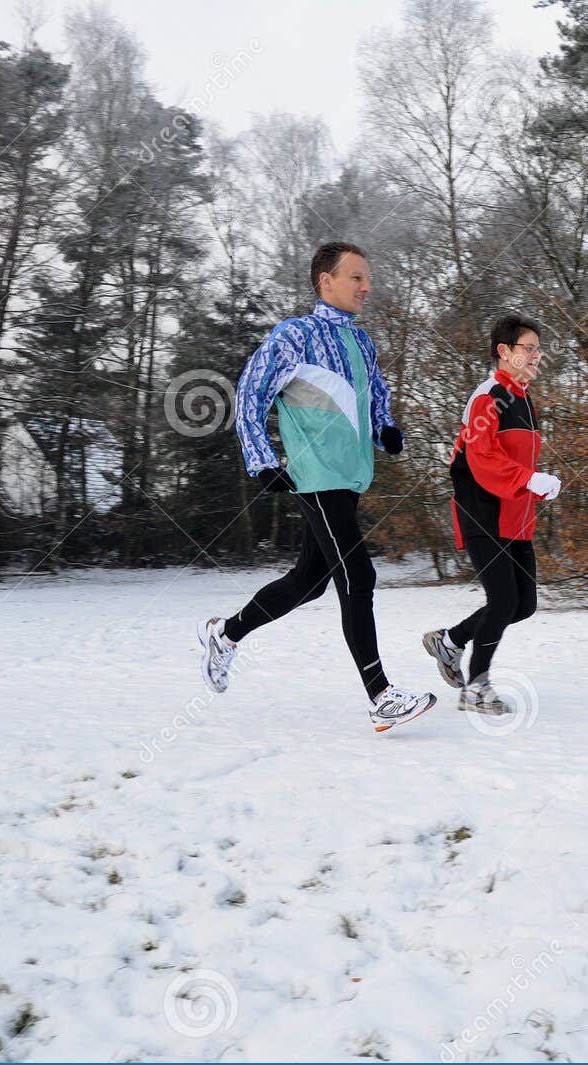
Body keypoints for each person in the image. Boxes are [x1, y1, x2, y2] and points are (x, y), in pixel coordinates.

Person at [196, 241, 436, 732]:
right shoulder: (294, 336)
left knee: (309, 581)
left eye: (367, 278)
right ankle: (380, 695)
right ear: (325, 280)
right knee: (358, 577)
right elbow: (249, 394)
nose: (367, 287)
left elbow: (376, 397)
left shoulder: (362, 342)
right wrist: (262, 460)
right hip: (315, 475)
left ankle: (226, 634)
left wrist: (385, 427)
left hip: (349, 475)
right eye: (356, 278)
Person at [422, 314, 561, 716]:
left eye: (538, 348)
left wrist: (532, 484)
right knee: (502, 600)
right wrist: (529, 479)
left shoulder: (525, 400)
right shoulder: (488, 396)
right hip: (483, 511)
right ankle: (476, 688)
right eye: (528, 348)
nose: (537, 355)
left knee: (523, 605)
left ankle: (450, 640)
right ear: (504, 352)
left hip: (516, 516)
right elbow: (481, 457)